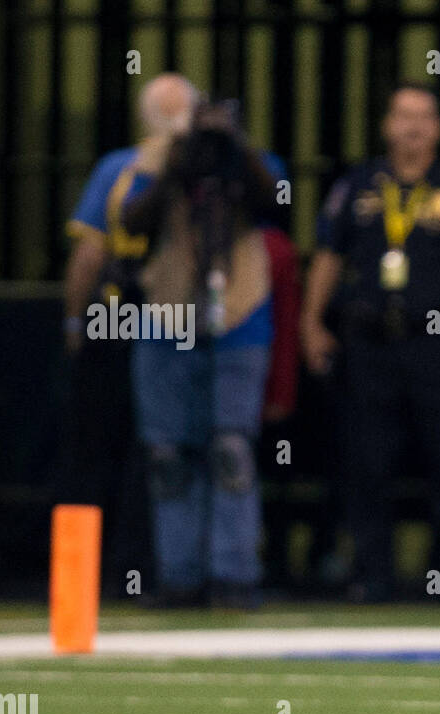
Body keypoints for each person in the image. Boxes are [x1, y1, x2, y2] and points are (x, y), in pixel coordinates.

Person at [302, 84, 440, 603]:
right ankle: (372, 577)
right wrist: (309, 321)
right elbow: (327, 254)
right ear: (387, 124)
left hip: (439, 346)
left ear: (438, 128)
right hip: (368, 343)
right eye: (403, 116)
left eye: (424, 117)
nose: (413, 127)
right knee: (367, 464)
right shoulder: (358, 185)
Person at [122, 100, 282, 610]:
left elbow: (276, 207)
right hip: (168, 317)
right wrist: (174, 169)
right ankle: (179, 577)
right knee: (169, 455)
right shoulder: (154, 161)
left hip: (239, 314)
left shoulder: (254, 161)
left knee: (230, 450)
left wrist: (238, 152)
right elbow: (131, 223)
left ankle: (234, 577)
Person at [60, 73, 198, 594]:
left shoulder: (192, 170)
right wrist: (79, 319)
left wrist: (78, 319)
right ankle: (90, 573)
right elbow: (90, 253)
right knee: (112, 444)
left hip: (162, 315)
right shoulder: (122, 168)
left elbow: (89, 256)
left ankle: (138, 569)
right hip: (131, 314)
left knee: (155, 446)